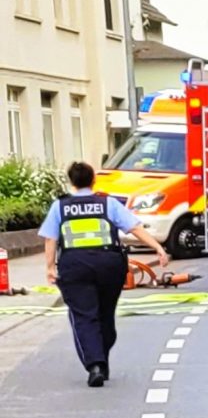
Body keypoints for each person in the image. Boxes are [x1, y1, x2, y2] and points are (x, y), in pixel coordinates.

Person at [41, 162, 169, 387]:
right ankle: (102, 357)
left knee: (84, 316)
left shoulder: (59, 206)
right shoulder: (107, 203)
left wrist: (50, 268)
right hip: (109, 265)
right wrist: (158, 248)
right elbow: (135, 228)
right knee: (105, 314)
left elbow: (50, 239)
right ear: (93, 180)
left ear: (71, 182)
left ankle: (95, 364)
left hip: (75, 265)